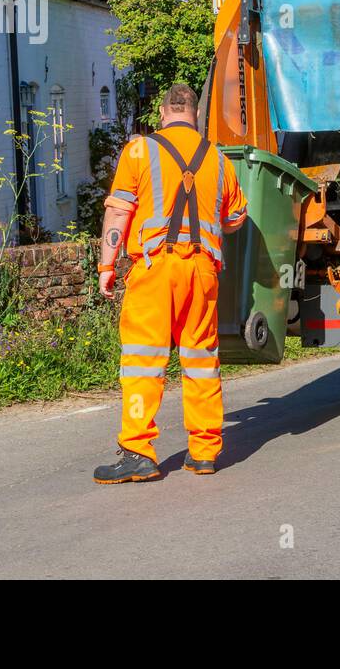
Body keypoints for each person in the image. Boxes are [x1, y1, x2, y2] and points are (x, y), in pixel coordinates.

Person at [92, 83, 248, 484]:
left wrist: (107, 265)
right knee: (200, 360)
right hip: (203, 270)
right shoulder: (218, 158)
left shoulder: (139, 151)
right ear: (195, 115)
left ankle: (139, 452)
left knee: (144, 359)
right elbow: (235, 218)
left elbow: (118, 213)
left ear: (163, 113)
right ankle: (204, 451)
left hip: (155, 266)